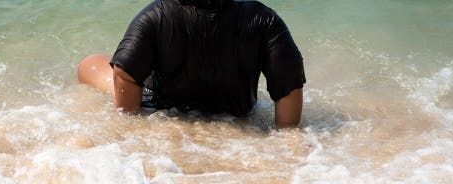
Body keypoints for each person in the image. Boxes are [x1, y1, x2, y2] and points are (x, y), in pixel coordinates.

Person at [77, 0, 305, 128]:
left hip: (163, 109)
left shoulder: (156, 14)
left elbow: (124, 72)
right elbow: (289, 85)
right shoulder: (264, 20)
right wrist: (286, 134)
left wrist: (131, 118)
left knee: (89, 64)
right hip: (236, 114)